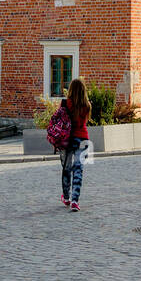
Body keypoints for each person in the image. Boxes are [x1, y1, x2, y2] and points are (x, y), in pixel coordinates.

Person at [59, 78, 91, 211]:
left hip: (68, 139)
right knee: (78, 170)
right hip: (83, 140)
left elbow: (60, 121)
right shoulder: (87, 105)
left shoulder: (65, 103)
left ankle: (66, 197)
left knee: (66, 169)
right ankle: (75, 201)